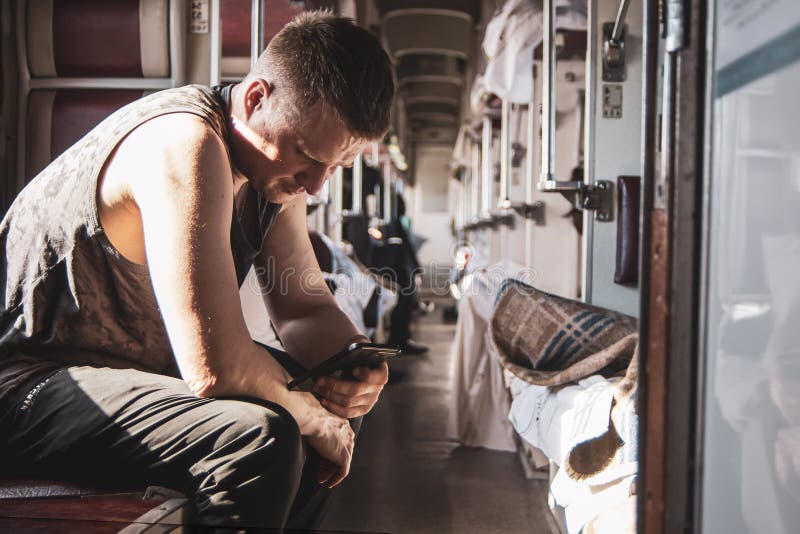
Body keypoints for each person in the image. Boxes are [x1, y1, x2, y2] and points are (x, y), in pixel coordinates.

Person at [0, 11, 394, 531]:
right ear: (256, 98)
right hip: (28, 385)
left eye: (334, 167)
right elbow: (216, 369)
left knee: (332, 399)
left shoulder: (275, 174)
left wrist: (353, 362)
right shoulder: (184, 142)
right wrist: (314, 418)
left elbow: (303, 307)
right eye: (306, 156)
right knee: (258, 438)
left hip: (128, 372)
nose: (316, 185)